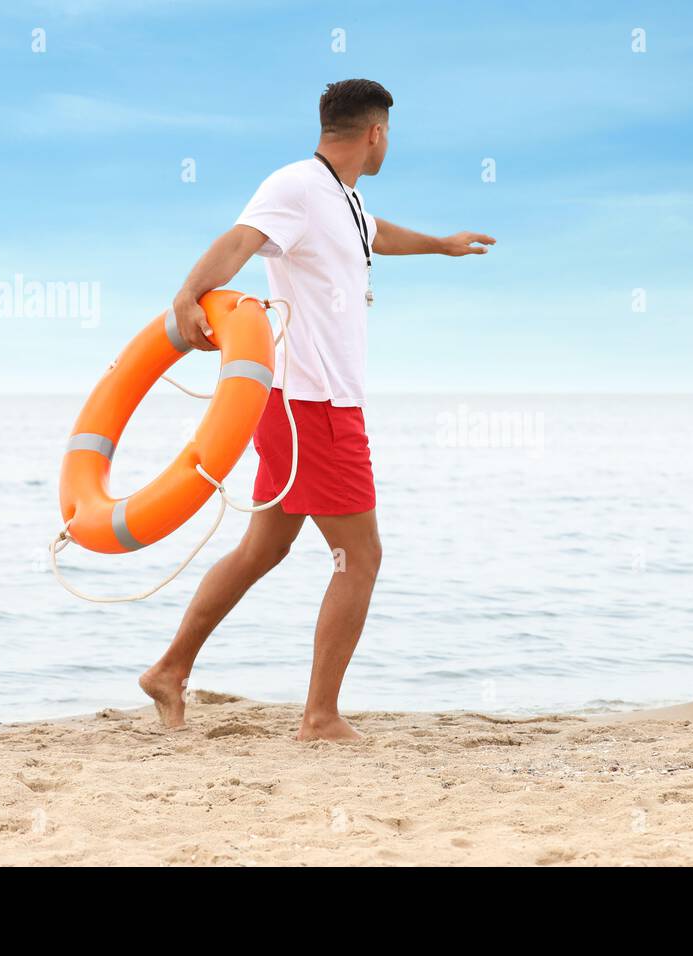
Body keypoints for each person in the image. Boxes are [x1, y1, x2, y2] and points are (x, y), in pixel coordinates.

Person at [138, 79, 494, 740]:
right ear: (376, 133)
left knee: (262, 549)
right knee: (359, 559)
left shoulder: (343, 198)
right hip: (316, 406)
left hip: (299, 405)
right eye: (389, 133)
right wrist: (190, 292)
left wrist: (441, 245)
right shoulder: (296, 186)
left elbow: (374, 234)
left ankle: (168, 670)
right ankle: (320, 717)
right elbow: (242, 239)